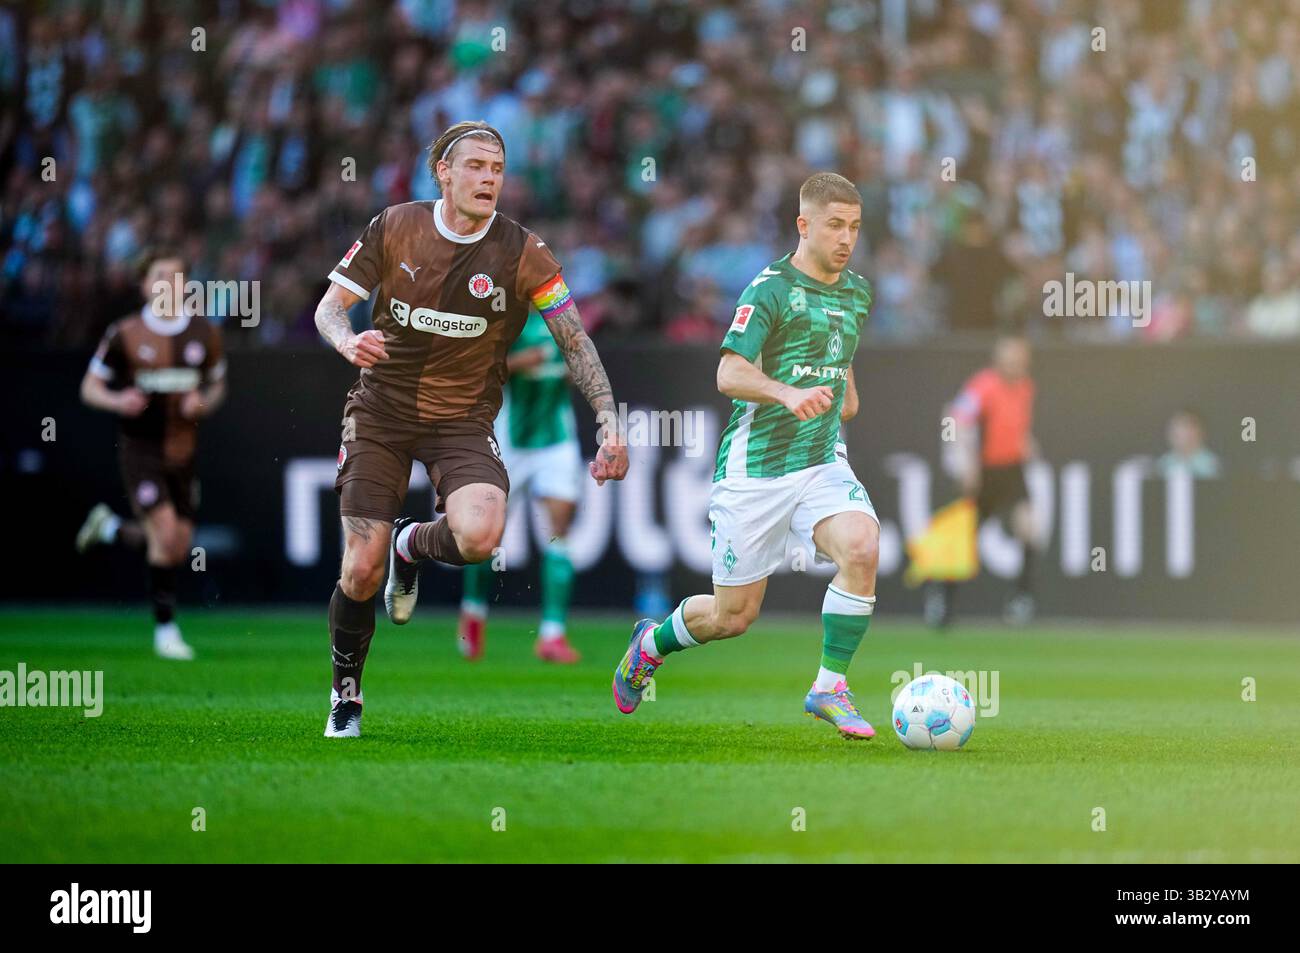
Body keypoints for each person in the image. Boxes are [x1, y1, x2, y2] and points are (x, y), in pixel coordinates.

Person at [313, 120, 628, 738]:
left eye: (497, 169)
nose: (489, 179)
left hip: (461, 419)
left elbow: (574, 340)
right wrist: (347, 340)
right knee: (359, 570)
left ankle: (412, 545)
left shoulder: (524, 252)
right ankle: (346, 694)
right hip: (379, 412)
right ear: (444, 173)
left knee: (481, 537)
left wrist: (608, 420)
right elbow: (330, 307)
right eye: (477, 167)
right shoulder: (394, 225)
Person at [609, 172, 881, 740]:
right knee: (733, 617)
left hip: (821, 460)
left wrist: (842, 395)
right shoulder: (769, 289)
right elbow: (728, 371)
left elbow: (842, 355)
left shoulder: (857, 291)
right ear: (803, 225)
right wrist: (787, 392)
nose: (846, 238)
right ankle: (650, 644)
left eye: (854, 227)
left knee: (862, 546)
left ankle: (829, 687)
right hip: (755, 469)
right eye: (834, 225)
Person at [78, 251, 227, 659]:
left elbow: (216, 387)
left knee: (177, 546)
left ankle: (110, 529)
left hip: (184, 452)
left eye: (176, 277)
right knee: (163, 533)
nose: (167, 284)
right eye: (159, 276)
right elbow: (90, 388)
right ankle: (166, 631)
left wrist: (202, 403)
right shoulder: (124, 333)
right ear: (144, 284)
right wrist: (118, 399)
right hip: (140, 450)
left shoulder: (203, 334)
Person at [457, 309, 584, 663]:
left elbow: (582, 366)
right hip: (510, 440)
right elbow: (477, 372)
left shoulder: (565, 319)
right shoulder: (503, 319)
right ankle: (474, 614)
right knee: (486, 536)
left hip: (556, 440)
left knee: (559, 531)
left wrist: (573, 371)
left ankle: (552, 635)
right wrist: (518, 362)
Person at [927, 334, 1039, 627]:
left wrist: (1026, 444)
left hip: (1012, 471)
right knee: (964, 539)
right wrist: (965, 464)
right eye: (1010, 360)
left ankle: (1021, 599)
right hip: (985, 473)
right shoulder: (983, 386)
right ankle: (943, 599)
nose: (1016, 366)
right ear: (998, 361)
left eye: (1020, 360)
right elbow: (954, 420)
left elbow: (1014, 426)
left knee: (1028, 527)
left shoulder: (1026, 387)